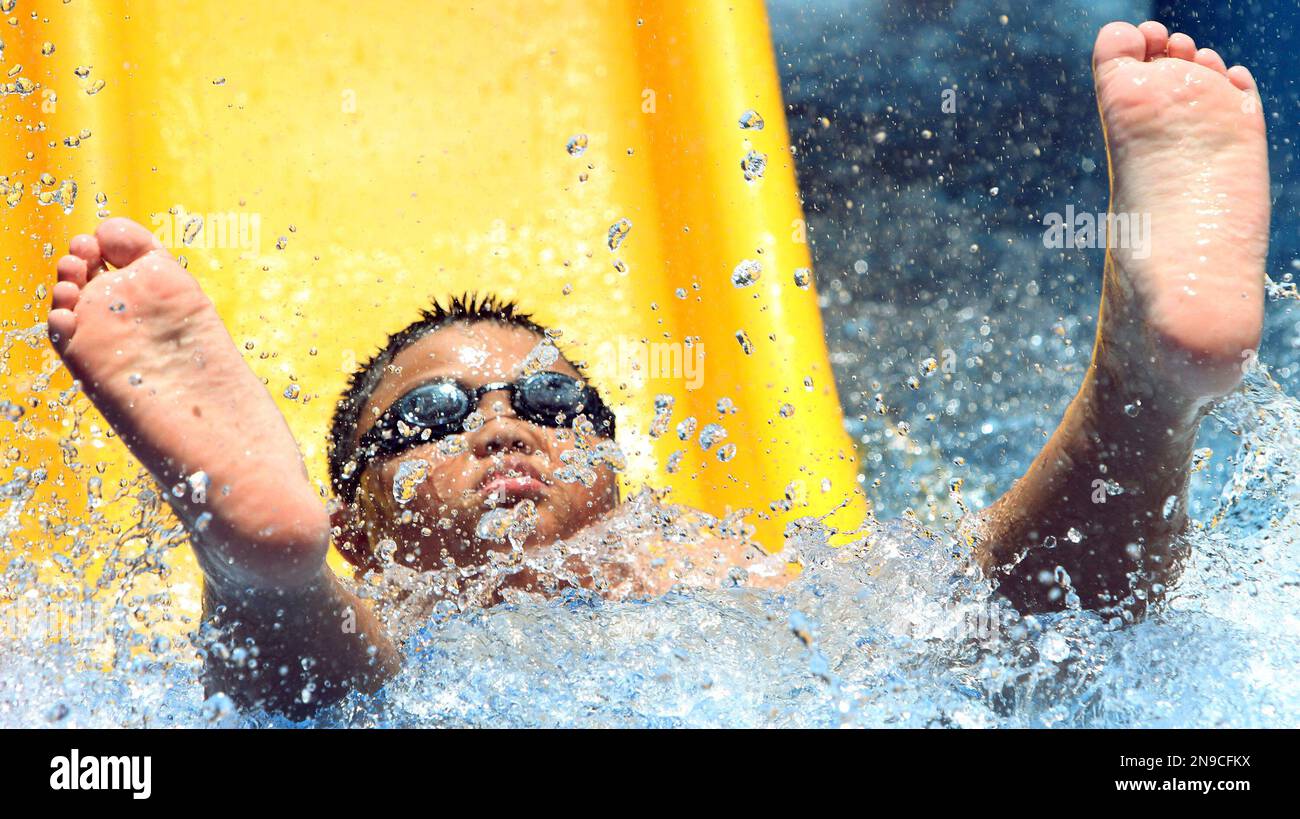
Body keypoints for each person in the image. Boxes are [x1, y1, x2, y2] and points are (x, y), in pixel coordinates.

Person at [43, 21, 1270, 717]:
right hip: (397, 662)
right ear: (357, 516)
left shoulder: (700, 570)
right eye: (428, 414)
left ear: (617, 473)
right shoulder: (396, 611)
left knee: (993, 627)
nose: (500, 426)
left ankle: (1145, 384)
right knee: (320, 697)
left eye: (550, 400)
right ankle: (260, 561)